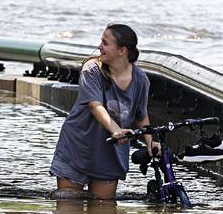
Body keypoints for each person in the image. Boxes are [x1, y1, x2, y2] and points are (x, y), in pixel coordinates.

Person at [50, 23, 156, 200]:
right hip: (77, 150)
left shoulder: (140, 79)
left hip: (109, 157)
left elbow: (141, 115)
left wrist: (151, 143)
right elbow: (95, 105)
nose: (99, 46)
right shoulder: (92, 69)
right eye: (101, 41)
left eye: (105, 43)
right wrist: (116, 130)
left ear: (122, 51)